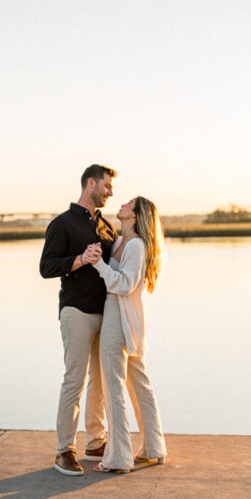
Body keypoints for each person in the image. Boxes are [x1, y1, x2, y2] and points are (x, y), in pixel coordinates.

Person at [39, 164, 118, 476]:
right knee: (75, 378)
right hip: (76, 312)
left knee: (100, 379)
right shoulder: (63, 224)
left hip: (107, 314)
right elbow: (46, 267)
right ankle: (64, 450)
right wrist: (80, 260)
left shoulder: (108, 226)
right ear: (90, 183)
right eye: (107, 186)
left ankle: (96, 441)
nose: (110, 192)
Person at [84, 196, 168, 473]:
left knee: (114, 387)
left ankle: (118, 457)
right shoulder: (121, 242)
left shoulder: (135, 245)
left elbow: (124, 284)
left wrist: (98, 264)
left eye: (128, 203)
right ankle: (153, 449)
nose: (121, 204)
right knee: (137, 384)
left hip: (119, 320)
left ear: (136, 214)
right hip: (123, 318)